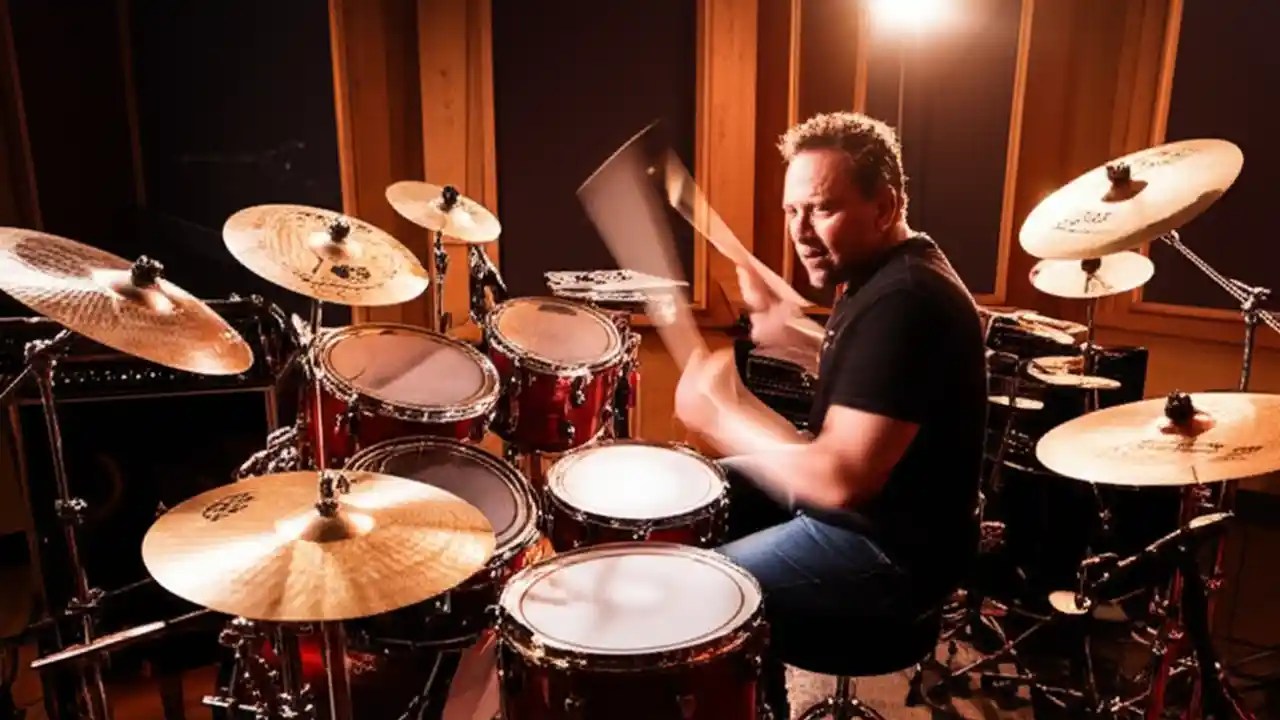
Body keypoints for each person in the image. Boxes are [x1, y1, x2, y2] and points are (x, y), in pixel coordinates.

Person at [674, 111, 987, 718]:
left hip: (889, 554)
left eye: (821, 209)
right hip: (878, 522)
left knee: (701, 592)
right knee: (694, 498)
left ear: (885, 205)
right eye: (792, 212)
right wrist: (794, 337)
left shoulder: (908, 301)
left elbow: (840, 479)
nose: (801, 231)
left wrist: (720, 416)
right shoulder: (885, 277)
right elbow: (884, 384)